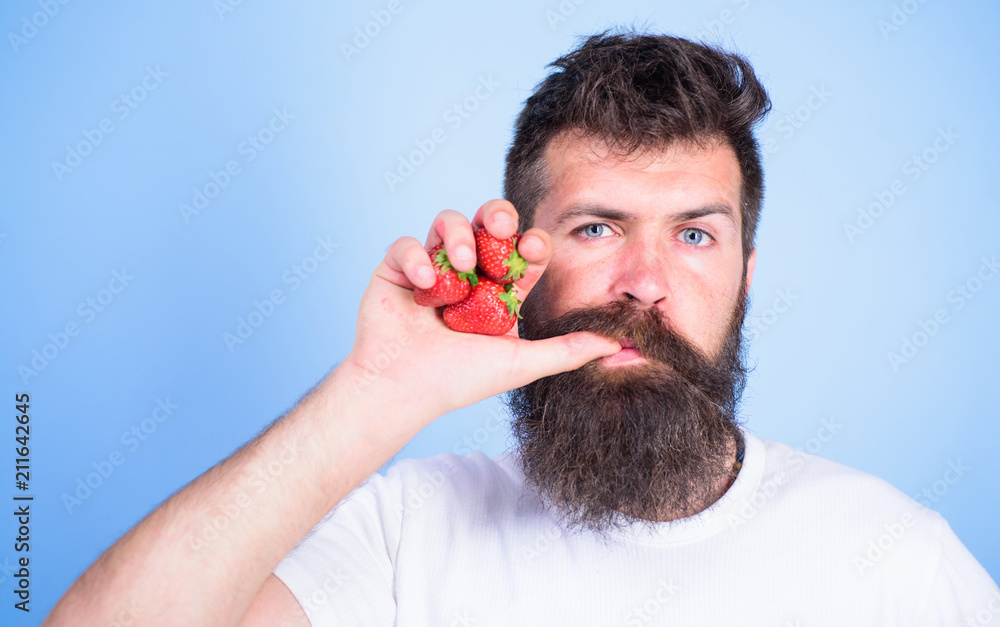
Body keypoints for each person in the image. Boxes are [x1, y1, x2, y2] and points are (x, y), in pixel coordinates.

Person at [45, 31, 998, 626]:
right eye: (597, 227)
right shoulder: (401, 538)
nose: (645, 285)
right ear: (526, 260)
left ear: (747, 277)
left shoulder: (894, 564)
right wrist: (373, 396)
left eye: (695, 234)